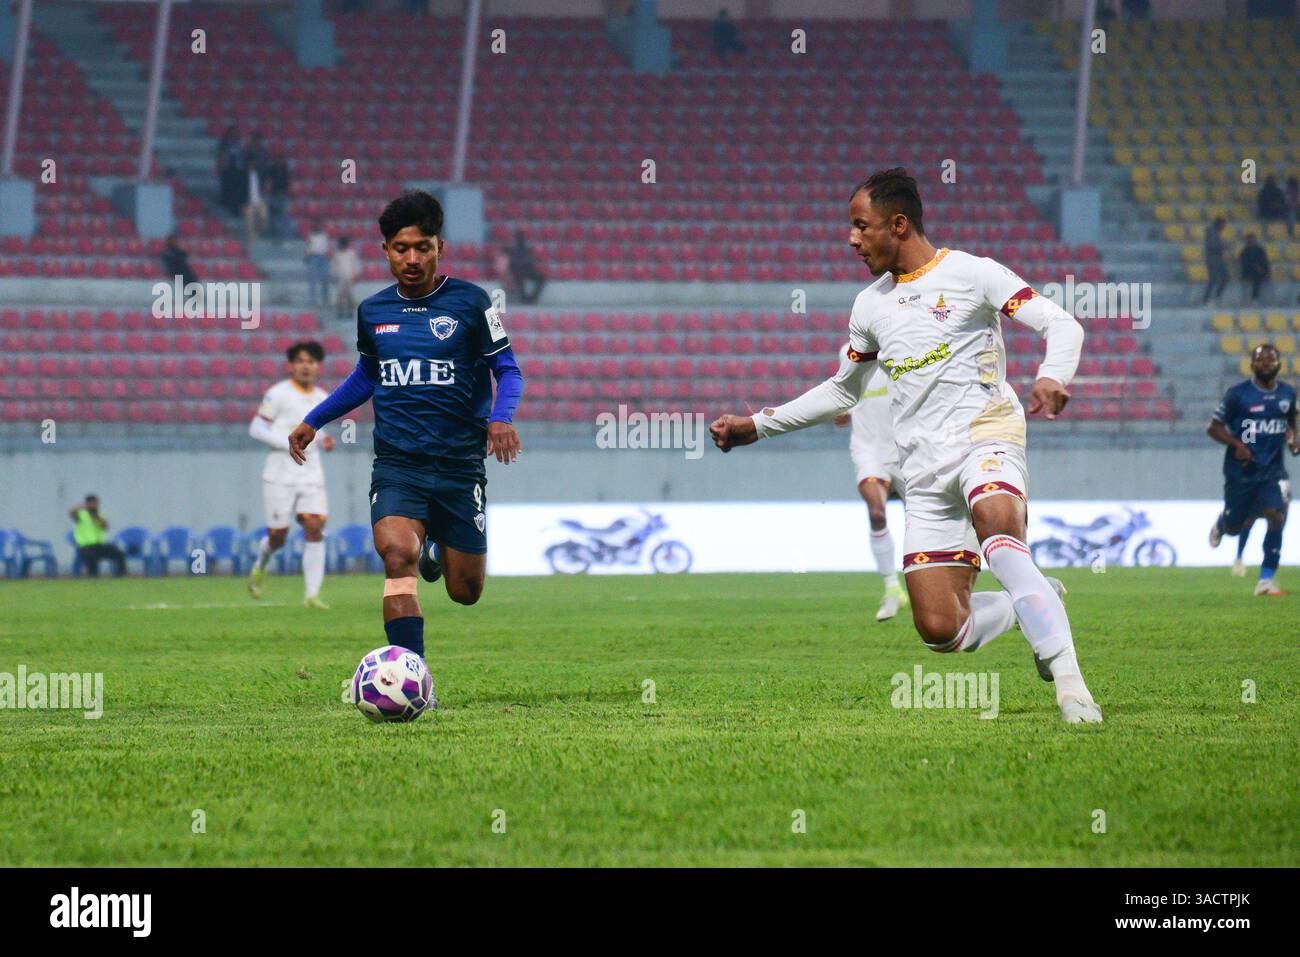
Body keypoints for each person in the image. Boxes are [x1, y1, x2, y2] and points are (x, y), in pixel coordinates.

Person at [709, 167, 1101, 724]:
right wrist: (758, 423)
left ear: (898, 224)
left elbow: (1062, 325)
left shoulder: (973, 273)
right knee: (943, 631)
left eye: (860, 226)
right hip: (923, 472)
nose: (851, 239)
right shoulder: (870, 306)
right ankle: (1034, 600)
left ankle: (1069, 681)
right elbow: (842, 390)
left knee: (995, 519)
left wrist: (1052, 376)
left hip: (987, 436)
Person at [288, 190, 525, 671]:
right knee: (397, 557)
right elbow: (367, 376)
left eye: (423, 247)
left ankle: (437, 544)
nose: (412, 258)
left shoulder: (471, 302)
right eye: (401, 248)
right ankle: (412, 677)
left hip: (460, 466)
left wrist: (502, 417)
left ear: (440, 248)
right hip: (399, 465)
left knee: (465, 591)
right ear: (385, 251)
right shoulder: (373, 312)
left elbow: (508, 368)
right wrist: (314, 418)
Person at [247, 341, 335, 608]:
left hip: (311, 473)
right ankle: (260, 565)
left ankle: (311, 594)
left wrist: (326, 440)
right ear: (290, 365)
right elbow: (256, 429)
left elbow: (318, 432)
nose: (305, 366)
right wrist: (286, 442)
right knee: (278, 536)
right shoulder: (277, 394)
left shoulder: (323, 397)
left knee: (314, 526)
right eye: (300, 361)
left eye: (310, 361)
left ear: (318, 366)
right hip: (279, 474)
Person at [1207, 343, 1297, 595]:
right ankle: (1223, 524)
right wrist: (1236, 443)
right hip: (1241, 473)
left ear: (1279, 365)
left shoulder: (1288, 394)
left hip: (1272, 472)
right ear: (1252, 364)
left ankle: (1266, 580)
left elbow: (1291, 421)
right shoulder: (1238, 394)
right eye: (1260, 360)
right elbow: (1213, 427)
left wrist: (1293, 438)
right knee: (1236, 527)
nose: (1265, 364)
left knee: (1276, 515)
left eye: (1270, 360)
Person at [833, 356, 908, 621]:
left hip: (908, 448)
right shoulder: (849, 352)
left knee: (923, 521)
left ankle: (927, 583)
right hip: (869, 450)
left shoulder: (904, 344)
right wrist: (841, 410)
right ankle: (892, 588)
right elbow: (844, 392)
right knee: (876, 513)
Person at [69, 495, 126, 578]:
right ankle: (93, 576)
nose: (94, 505)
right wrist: (83, 506)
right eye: (92, 503)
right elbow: (71, 513)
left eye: (96, 503)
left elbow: (106, 527)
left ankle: (120, 576)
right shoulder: (81, 515)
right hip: (85, 546)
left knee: (119, 553)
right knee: (91, 556)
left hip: (99, 545)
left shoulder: (100, 515)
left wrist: (99, 518)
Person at [507, 231, 546, 304]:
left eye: (521, 238)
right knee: (518, 278)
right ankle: (524, 298)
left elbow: (530, 263)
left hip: (528, 271)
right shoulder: (512, 250)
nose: (521, 240)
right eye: (519, 238)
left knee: (541, 279)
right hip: (518, 272)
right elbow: (512, 265)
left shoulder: (527, 249)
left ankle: (532, 298)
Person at [331, 235, 362, 321]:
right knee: (340, 296)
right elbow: (334, 267)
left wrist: (355, 275)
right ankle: (340, 312)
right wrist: (334, 276)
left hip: (349, 277)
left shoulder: (351, 254)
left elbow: (355, 265)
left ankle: (350, 312)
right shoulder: (336, 254)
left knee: (349, 296)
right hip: (340, 277)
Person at [1202, 216, 1229, 304]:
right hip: (1213, 258)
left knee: (1225, 277)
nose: (1224, 227)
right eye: (1223, 225)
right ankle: (1206, 299)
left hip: (1218, 258)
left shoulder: (1215, 233)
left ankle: (1216, 298)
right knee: (1213, 278)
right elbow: (1212, 246)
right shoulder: (1211, 232)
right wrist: (1223, 247)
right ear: (1219, 224)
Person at [304, 222, 332, 306]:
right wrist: (306, 256)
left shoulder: (325, 236)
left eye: (319, 226)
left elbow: (327, 247)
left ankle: (325, 300)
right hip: (313, 257)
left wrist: (328, 257)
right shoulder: (310, 236)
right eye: (316, 226)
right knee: (312, 280)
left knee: (325, 280)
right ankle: (312, 301)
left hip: (323, 257)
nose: (317, 228)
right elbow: (307, 247)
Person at [1239, 233, 1270, 302]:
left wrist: (1266, 271)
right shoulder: (1244, 251)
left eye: (1252, 239)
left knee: (1259, 275)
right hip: (1248, 271)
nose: (1251, 241)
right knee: (1257, 276)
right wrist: (1255, 267)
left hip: (1259, 270)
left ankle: (1256, 298)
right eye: (1249, 239)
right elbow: (1244, 263)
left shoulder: (1260, 250)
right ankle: (1254, 298)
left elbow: (1264, 261)